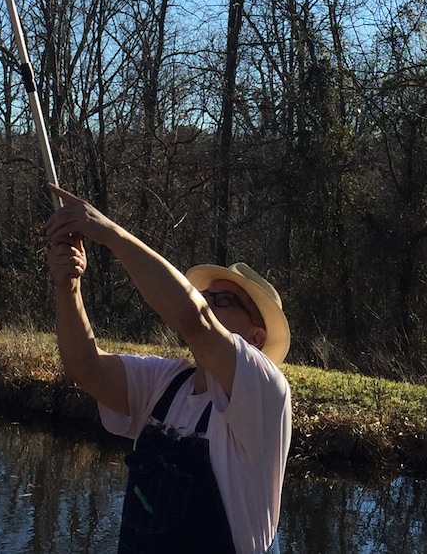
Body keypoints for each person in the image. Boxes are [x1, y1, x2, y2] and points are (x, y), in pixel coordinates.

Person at [44, 184, 292, 554]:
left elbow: (196, 320)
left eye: (223, 301)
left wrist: (111, 233)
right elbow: (87, 369)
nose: (208, 303)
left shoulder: (265, 390)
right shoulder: (166, 382)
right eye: (206, 297)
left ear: (256, 337)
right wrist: (69, 286)